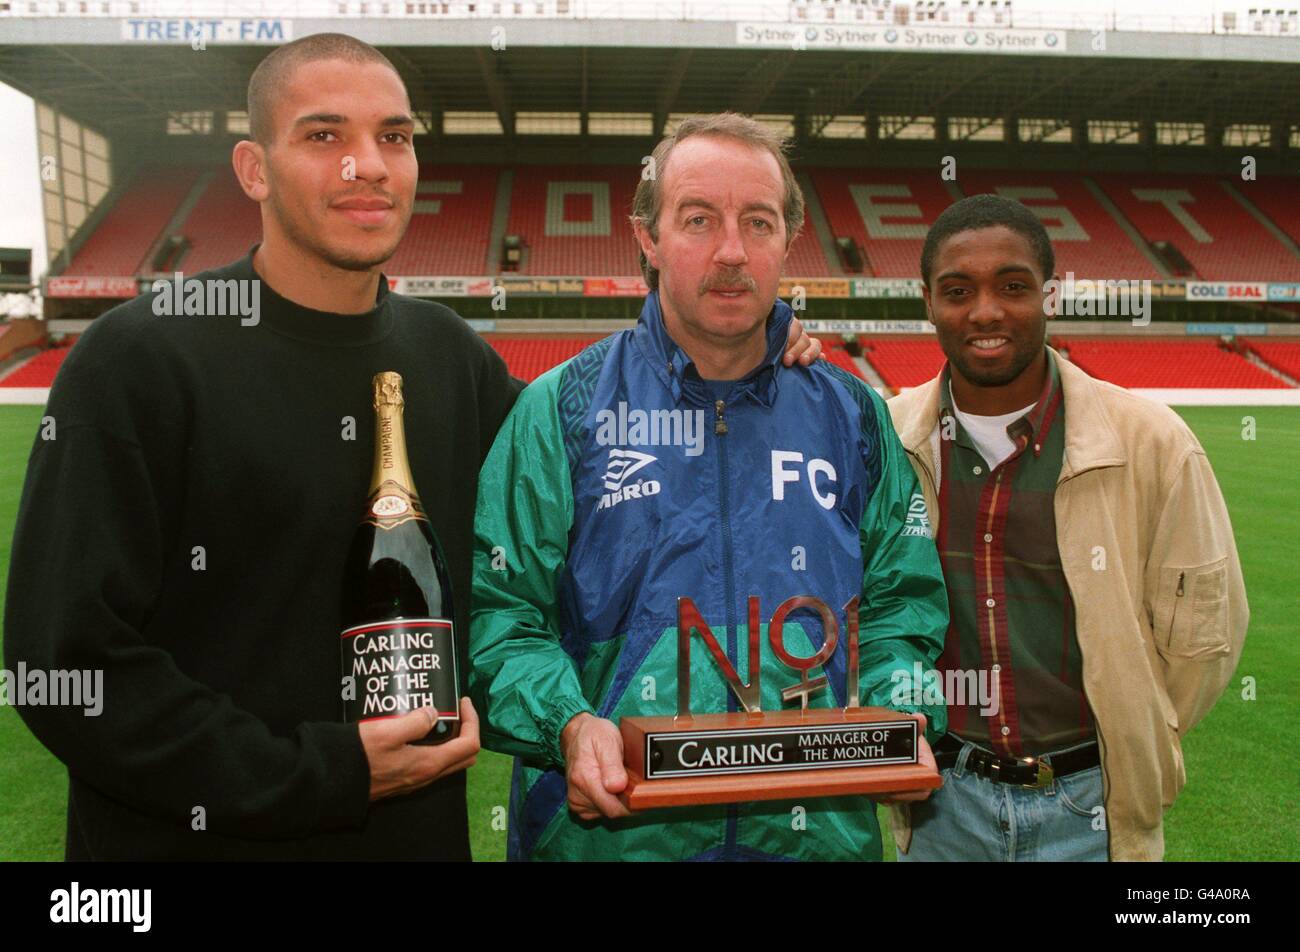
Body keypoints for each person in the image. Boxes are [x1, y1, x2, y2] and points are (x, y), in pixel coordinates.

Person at [1, 33, 825, 861]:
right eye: (325, 136)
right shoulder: (139, 360)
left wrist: (754, 349)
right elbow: (70, 666)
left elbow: (616, 489)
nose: (370, 165)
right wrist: (325, 770)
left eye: (393, 136)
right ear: (254, 169)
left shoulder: (451, 360)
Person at [468, 113, 948, 862]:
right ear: (648, 238)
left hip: (813, 841)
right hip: (612, 842)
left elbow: (900, 606)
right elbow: (502, 619)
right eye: (699, 219)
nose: (731, 251)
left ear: (788, 240)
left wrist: (896, 708)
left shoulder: (851, 414)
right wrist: (567, 721)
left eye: (757, 223)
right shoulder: (561, 410)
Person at [886, 193, 1248, 862]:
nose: (986, 311)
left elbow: (1206, 639)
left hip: (1092, 812)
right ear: (927, 300)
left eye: (1013, 287)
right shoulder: (886, 438)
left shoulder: (1153, 441)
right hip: (942, 806)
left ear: (1049, 295)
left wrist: (1138, 739)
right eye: (958, 290)